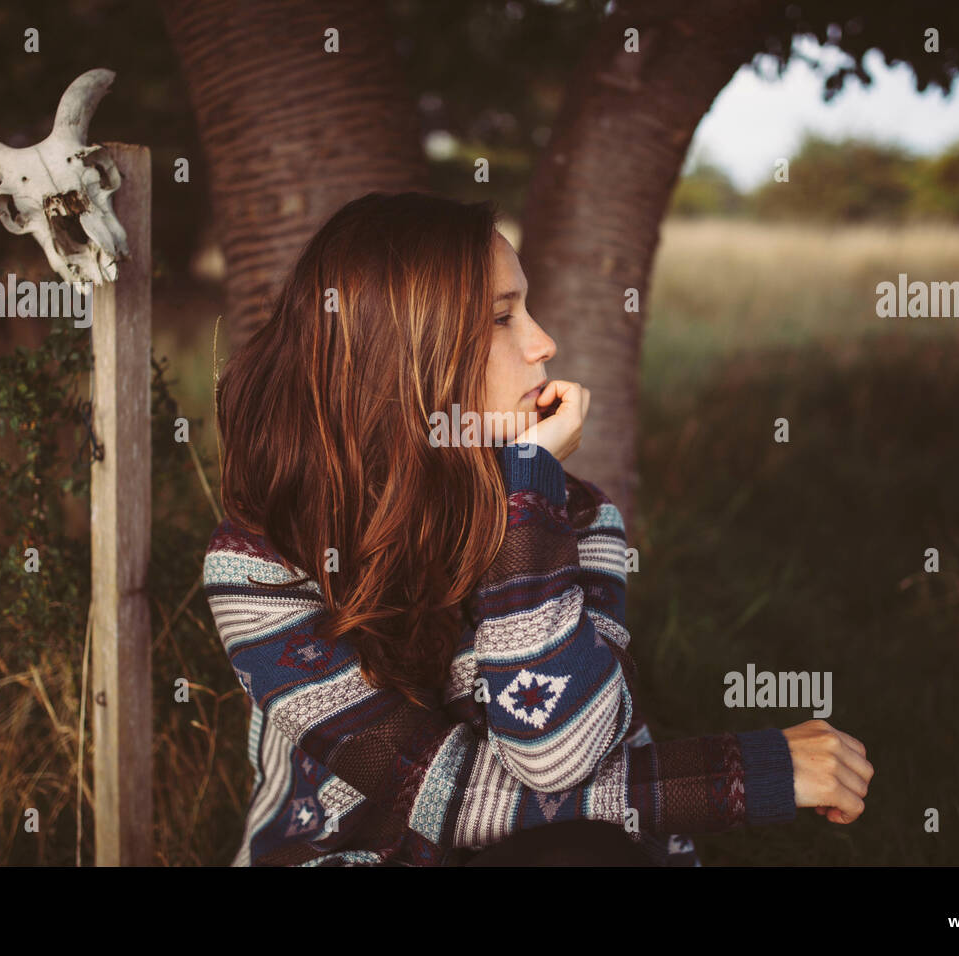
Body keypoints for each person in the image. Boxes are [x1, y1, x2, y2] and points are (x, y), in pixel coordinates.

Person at [202, 191, 875, 866]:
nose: (544, 342)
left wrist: (528, 489)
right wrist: (743, 775)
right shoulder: (263, 558)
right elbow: (443, 793)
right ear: (405, 351)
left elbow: (560, 757)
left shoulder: (573, 517)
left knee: (578, 851)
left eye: (526, 307)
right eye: (502, 317)